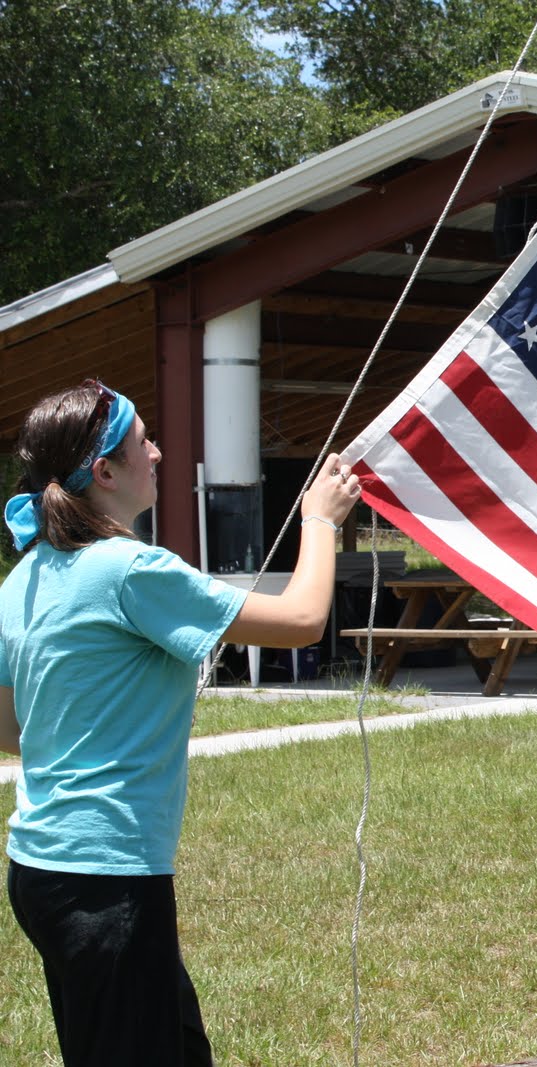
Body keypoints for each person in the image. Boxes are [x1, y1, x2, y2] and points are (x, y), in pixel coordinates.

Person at [0, 380, 362, 1066]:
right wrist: (319, 519)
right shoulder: (132, 571)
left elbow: (9, 729)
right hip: (108, 884)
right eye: (145, 443)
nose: (161, 454)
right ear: (104, 472)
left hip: (41, 873)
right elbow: (303, 619)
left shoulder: (24, 577)